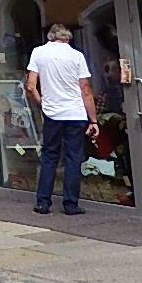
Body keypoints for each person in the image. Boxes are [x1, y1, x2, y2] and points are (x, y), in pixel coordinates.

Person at [25, 23, 99, 216]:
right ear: (68, 38)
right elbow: (85, 90)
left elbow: (31, 86)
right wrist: (93, 120)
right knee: (73, 158)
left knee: (49, 157)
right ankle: (71, 204)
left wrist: (42, 104)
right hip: (75, 114)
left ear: (51, 36)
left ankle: (43, 202)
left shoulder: (38, 53)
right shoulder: (77, 56)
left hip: (52, 113)